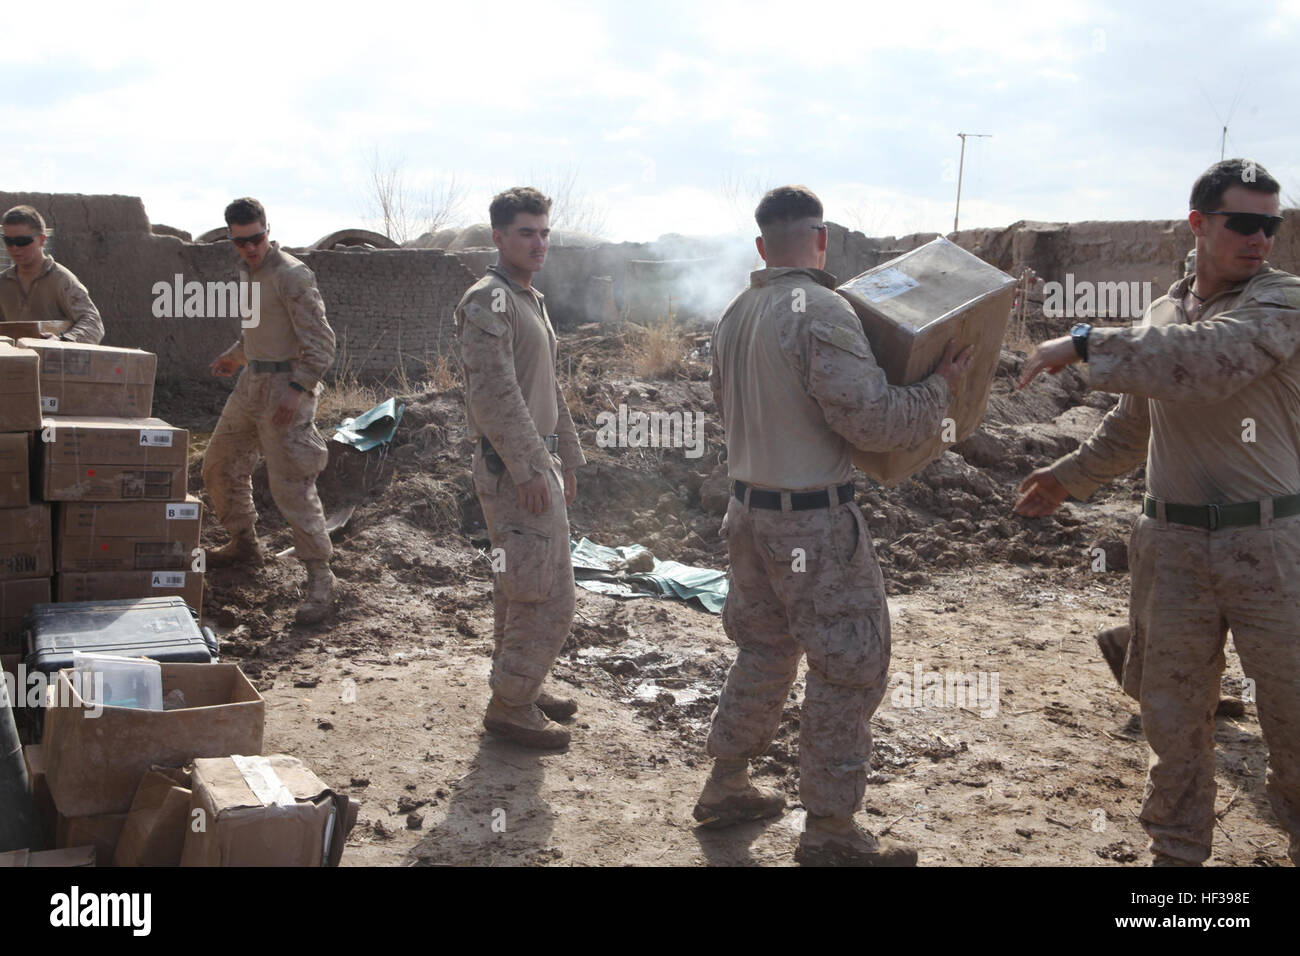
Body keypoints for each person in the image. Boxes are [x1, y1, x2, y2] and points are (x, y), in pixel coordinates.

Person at [1016, 158, 1300, 866]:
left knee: (1294, 718)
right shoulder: (1160, 315)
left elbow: (1208, 362)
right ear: (1198, 223)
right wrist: (1067, 477)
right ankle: (1175, 863)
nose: (1261, 238)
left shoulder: (1282, 302)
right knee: (1172, 722)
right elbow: (1133, 425)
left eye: (1271, 225)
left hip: (1271, 545)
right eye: (1244, 222)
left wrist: (1085, 342)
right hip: (1171, 547)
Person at [696, 185, 972, 865]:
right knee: (850, 663)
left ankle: (727, 783)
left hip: (746, 514)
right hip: (810, 524)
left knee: (765, 649)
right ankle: (829, 830)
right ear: (821, 240)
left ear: (762, 246)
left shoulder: (735, 313)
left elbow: (727, 406)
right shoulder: (821, 309)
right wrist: (942, 387)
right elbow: (872, 421)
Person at [456, 186, 585, 749]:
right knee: (547, 594)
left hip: (536, 460)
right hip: (514, 471)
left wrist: (567, 458)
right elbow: (493, 394)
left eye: (544, 232)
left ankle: (518, 686)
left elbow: (545, 387)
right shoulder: (489, 300)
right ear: (499, 237)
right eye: (526, 233)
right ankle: (511, 704)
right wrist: (531, 467)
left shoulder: (527, 298)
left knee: (519, 586)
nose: (539, 243)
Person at [201, 198, 337, 625]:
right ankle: (244, 543)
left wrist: (297, 389)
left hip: (287, 388)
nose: (250, 248)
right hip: (251, 384)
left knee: (291, 483)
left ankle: (321, 578)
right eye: (240, 242)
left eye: (256, 239)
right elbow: (258, 333)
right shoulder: (247, 273)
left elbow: (321, 344)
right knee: (218, 464)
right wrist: (235, 357)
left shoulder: (293, 275)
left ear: (267, 231)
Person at [0, 205, 104, 342]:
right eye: (8, 241)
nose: (14, 248)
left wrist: (63, 341)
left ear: (42, 240)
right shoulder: (3, 283)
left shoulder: (61, 280)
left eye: (22, 241)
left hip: (53, 354)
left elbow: (93, 324)